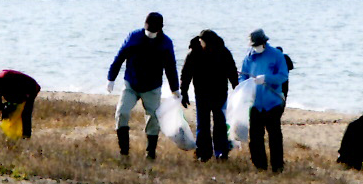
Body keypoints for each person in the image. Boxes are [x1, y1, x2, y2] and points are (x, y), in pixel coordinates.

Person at [106, 11, 180, 159]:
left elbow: (170, 67)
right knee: (122, 113)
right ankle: (124, 151)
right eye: (148, 30)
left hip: (152, 88)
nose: (150, 33)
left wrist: (175, 89)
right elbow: (120, 56)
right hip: (131, 85)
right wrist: (111, 78)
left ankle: (150, 152)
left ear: (160, 29)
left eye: (153, 31)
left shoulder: (166, 43)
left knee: (153, 118)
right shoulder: (134, 37)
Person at [180, 29, 238, 162]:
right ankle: (203, 153)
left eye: (204, 42)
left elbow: (232, 71)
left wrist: (237, 89)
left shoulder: (223, 52)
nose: (202, 44)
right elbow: (186, 74)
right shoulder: (194, 52)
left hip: (220, 93)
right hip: (201, 94)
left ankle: (221, 152)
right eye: (201, 41)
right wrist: (184, 93)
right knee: (203, 124)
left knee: (220, 123)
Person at [239, 29, 289, 172]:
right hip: (255, 103)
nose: (256, 48)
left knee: (274, 136)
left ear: (264, 43)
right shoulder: (249, 57)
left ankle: (277, 167)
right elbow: (242, 76)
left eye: (258, 45)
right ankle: (260, 166)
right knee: (255, 137)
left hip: (272, 102)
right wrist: (245, 85)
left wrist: (266, 78)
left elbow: (283, 76)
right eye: (254, 45)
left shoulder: (276, 55)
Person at [0, 70, 41, 139]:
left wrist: (8, 106)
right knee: (8, 109)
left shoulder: (5, 78)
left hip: (31, 88)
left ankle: (26, 137)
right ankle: (19, 135)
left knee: (25, 113)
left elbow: (17, 94)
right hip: (20, 92)